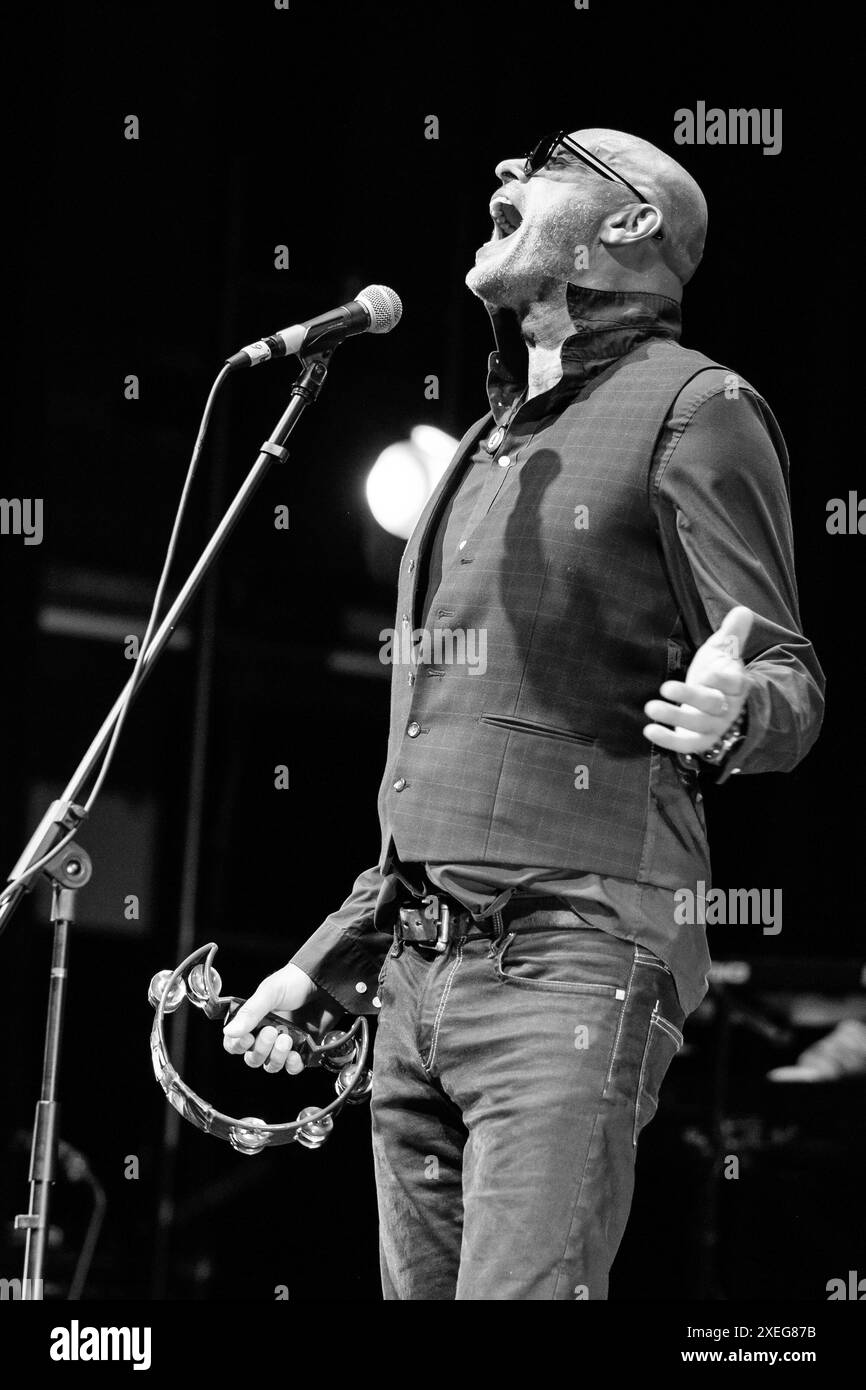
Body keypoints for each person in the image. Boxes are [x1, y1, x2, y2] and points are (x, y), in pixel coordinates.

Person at [224, 128, 825, 1300]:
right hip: (413, 978)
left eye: (543, 161)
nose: (501, 174)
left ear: (631, 224)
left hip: (570, 956)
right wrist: (328, 960)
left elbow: (792, 678)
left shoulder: (698, 406)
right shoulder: (482, 449)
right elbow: (448, 748)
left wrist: (733, 706)